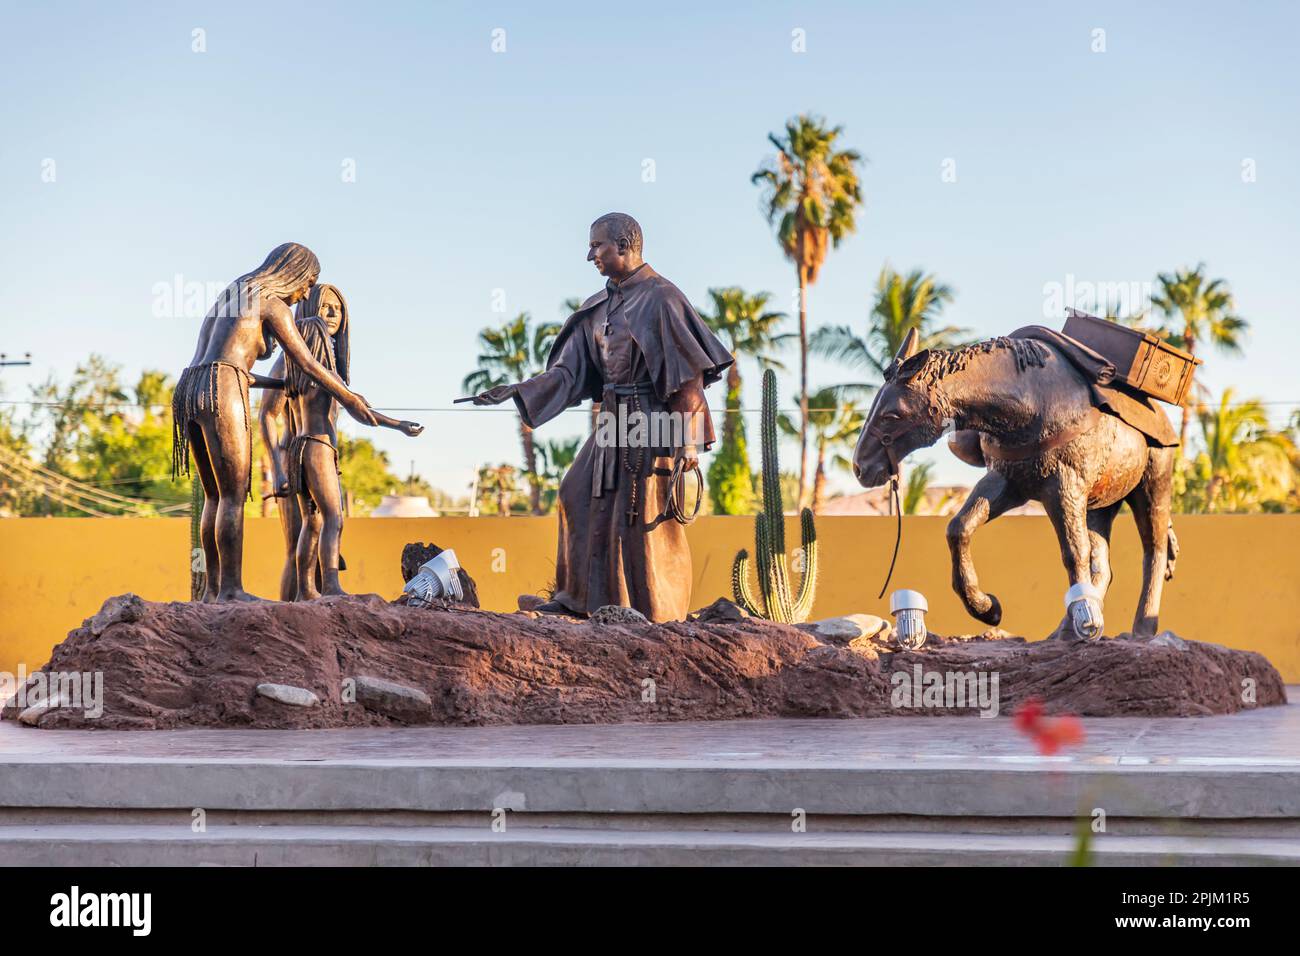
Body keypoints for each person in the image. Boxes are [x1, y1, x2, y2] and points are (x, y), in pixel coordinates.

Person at [473, 213, 732, 621]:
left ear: (625, 245)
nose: (589, 254)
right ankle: (579, 599)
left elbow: (689, 380)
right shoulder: (597, 306)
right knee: (575, 493)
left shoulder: (662, 297)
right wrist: (518, 390)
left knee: (641, 516)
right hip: (611, 418)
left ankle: (653, 612)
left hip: (652, 420)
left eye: (597, 246)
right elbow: (568, 373)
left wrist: (688, 445)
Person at [172, 243, 377, 602]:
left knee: (213, 496)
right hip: (223, 382)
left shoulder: (236, 292)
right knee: (233, 496)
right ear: (293, 273)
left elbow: (242, 354)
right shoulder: (272, 303)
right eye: (308, 282)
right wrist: (350, 398)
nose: (307, 292)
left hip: (190, 384)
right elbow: (309, 364)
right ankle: (232, 591)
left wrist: (270, 382)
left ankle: (212, 591)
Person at [283, 283, 422, 599]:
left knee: (313, 522)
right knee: (333, 516)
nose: (333, 314)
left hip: (300, 448)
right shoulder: (320, 370)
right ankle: (330, 585)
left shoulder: (297, 367)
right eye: (325, 308)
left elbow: (280, 392)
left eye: (338, 308)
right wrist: (399, 425)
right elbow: (360, 410)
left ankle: (306, 589)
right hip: (317, 445)